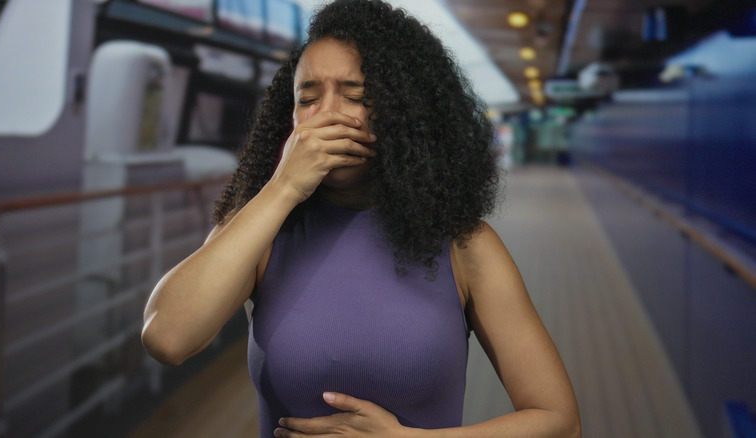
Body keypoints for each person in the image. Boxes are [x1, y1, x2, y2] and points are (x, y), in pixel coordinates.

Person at [142, 0, 581, 437]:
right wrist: (283, 188)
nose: (327, 115)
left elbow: (558, 421)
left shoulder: (465, 245)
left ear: (405, 113)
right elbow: (167, 338)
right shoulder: (266, 229)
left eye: (356, 96)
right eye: (308, 98)